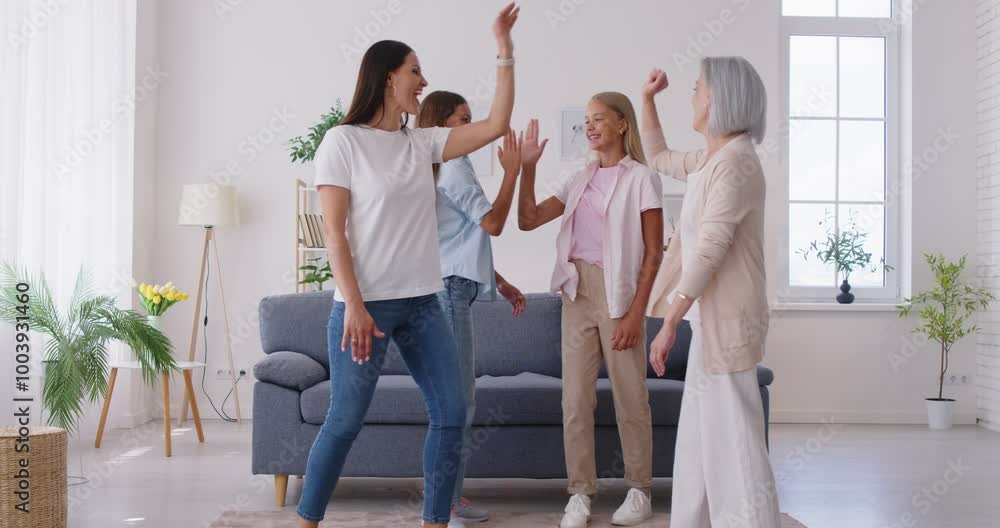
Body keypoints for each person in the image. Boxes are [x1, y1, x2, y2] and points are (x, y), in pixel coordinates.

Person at [295, 5, 520, 527]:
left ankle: (434, 521)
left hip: (423, 301)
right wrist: (352, 304)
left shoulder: (423, 144)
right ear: (387, 76)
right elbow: (334, 232)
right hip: (366, 306)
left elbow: (498, 124)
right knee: (346, 419)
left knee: (450, 414)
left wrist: (504, 49)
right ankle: (306, 521)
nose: (424, 81)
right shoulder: (342, 142)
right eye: (415, 71)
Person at [641, 58, 781, 527]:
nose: (693, 94)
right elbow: (658, 157)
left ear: (719, 99)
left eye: (698, 87)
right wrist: (647, 100)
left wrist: (670, 321)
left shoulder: (737, 165)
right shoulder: (714, 159)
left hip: (727, 321)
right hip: (710, 321)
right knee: (702, 440)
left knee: (736, 443)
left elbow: (711, 251)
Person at [517, 93, 663, 528]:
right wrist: (527, 168)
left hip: (619, 294)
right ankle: (580, 493)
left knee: (630, 396)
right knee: (575, 401)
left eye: (599, 119)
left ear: (622, 124)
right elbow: (527, 219)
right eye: (587, 120)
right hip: (576, 293)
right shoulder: (577, 179)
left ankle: (640, 490)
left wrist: (637, 314)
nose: (591, 126)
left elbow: (654, 253)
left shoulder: (642, 179)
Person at [415, 91, 527, 527]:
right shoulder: (455, 167)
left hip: (451, 287)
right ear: (444, 127)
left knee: (456, 404)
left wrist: (500, 281)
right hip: (447, 293)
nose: (474, 124)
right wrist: (512, 174)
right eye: (464, 119)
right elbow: (493, 223)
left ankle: (448, 499)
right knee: (455, 405)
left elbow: (455, 241)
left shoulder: (439, 168)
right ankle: (443, 504)